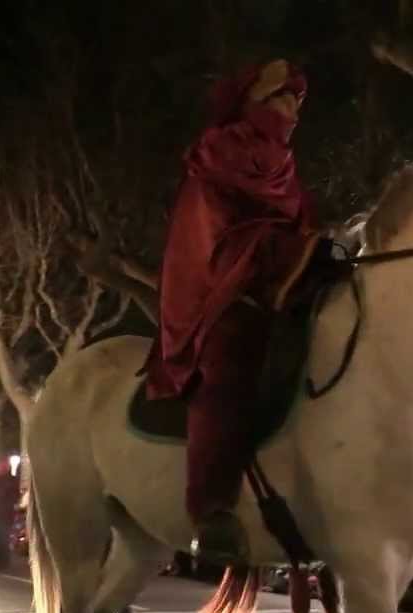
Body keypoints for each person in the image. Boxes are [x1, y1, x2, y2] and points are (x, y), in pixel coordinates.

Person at [144, 60, 324, 563]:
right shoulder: (222, 151)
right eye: (282, 100)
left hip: (275, 282)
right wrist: (282, 246)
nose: (292, 112)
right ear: (255, 103)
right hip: (223, 287)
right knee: (227, 364)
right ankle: (211, 508)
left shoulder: (283, 163)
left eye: (297, 103)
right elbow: (223, 228)